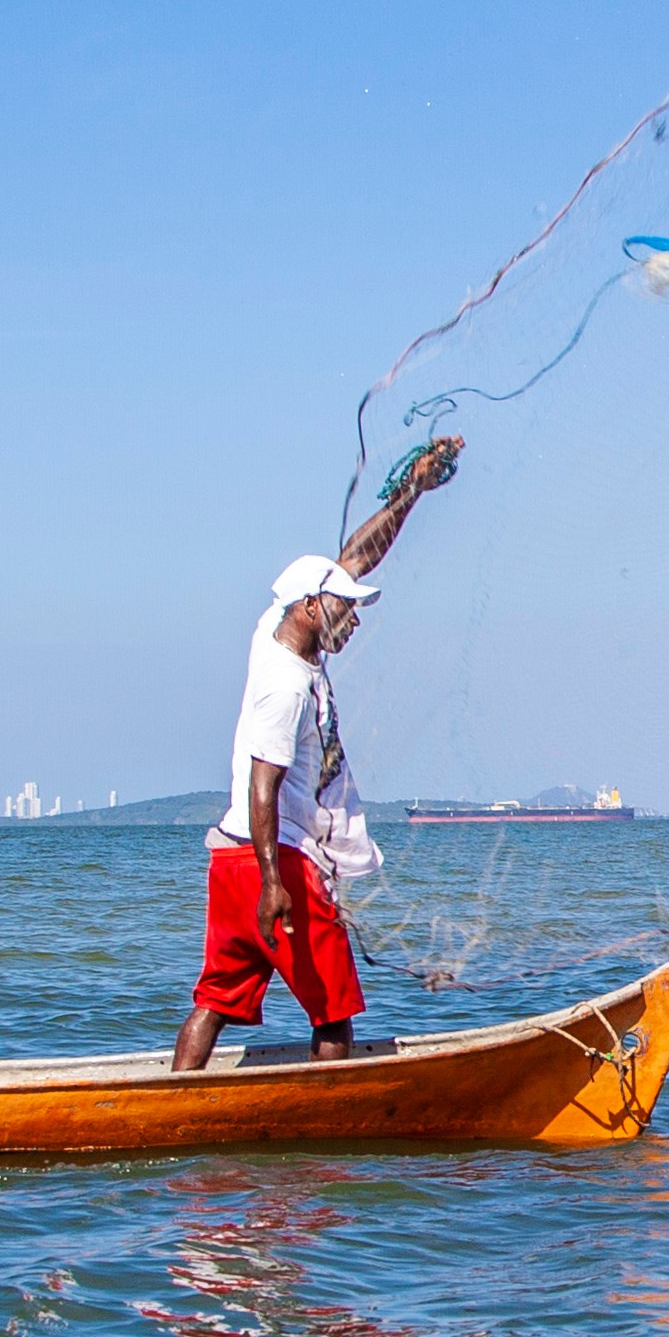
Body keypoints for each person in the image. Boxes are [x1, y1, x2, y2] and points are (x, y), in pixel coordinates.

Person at [175, 436, 461, 1071]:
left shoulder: (277, 629)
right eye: (344, 610)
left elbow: (353, 559)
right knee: (333, 1010)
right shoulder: (284, 686)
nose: (354, 621)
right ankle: (329, 1136)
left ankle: (173, 1106)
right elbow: (262, 786)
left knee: (217, 1000)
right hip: (273, 861)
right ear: (309, 608)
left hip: (232, 859)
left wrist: (411, 492)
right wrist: (276, 884)